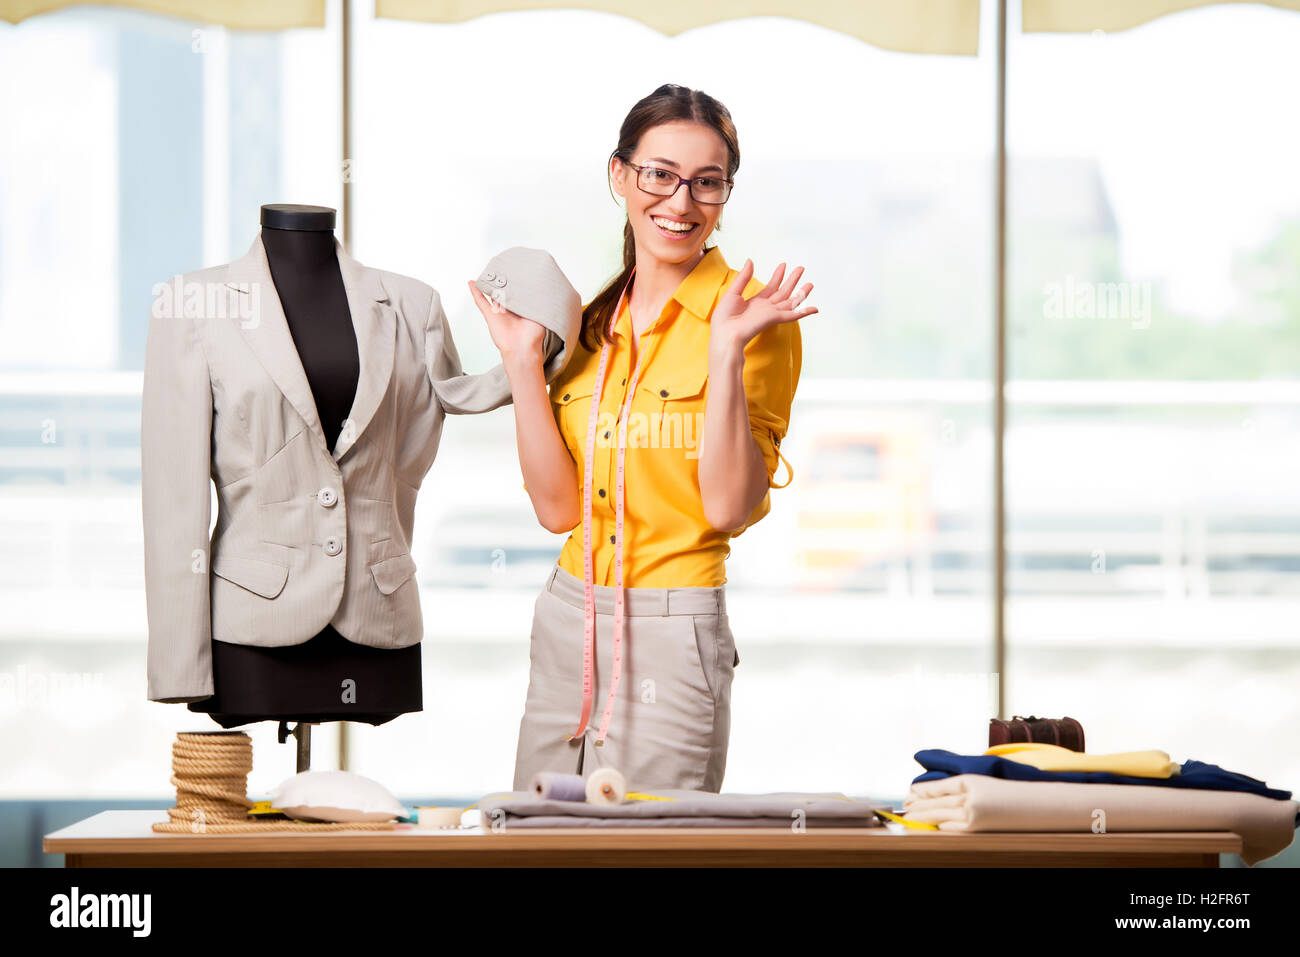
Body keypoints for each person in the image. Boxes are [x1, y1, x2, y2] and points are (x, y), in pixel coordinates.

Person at [468, 83, 816, 793]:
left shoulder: (755, 323)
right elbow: (559, 510)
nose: (680, 202)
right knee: (535, 845)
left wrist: (722, 351)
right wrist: (521, 364)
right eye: (660, 173)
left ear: (724, 194)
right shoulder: (595, 322)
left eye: (706, 182)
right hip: (570, 613)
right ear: (620, 176)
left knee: (649, 847)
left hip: (673, 626)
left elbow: (726, 509)